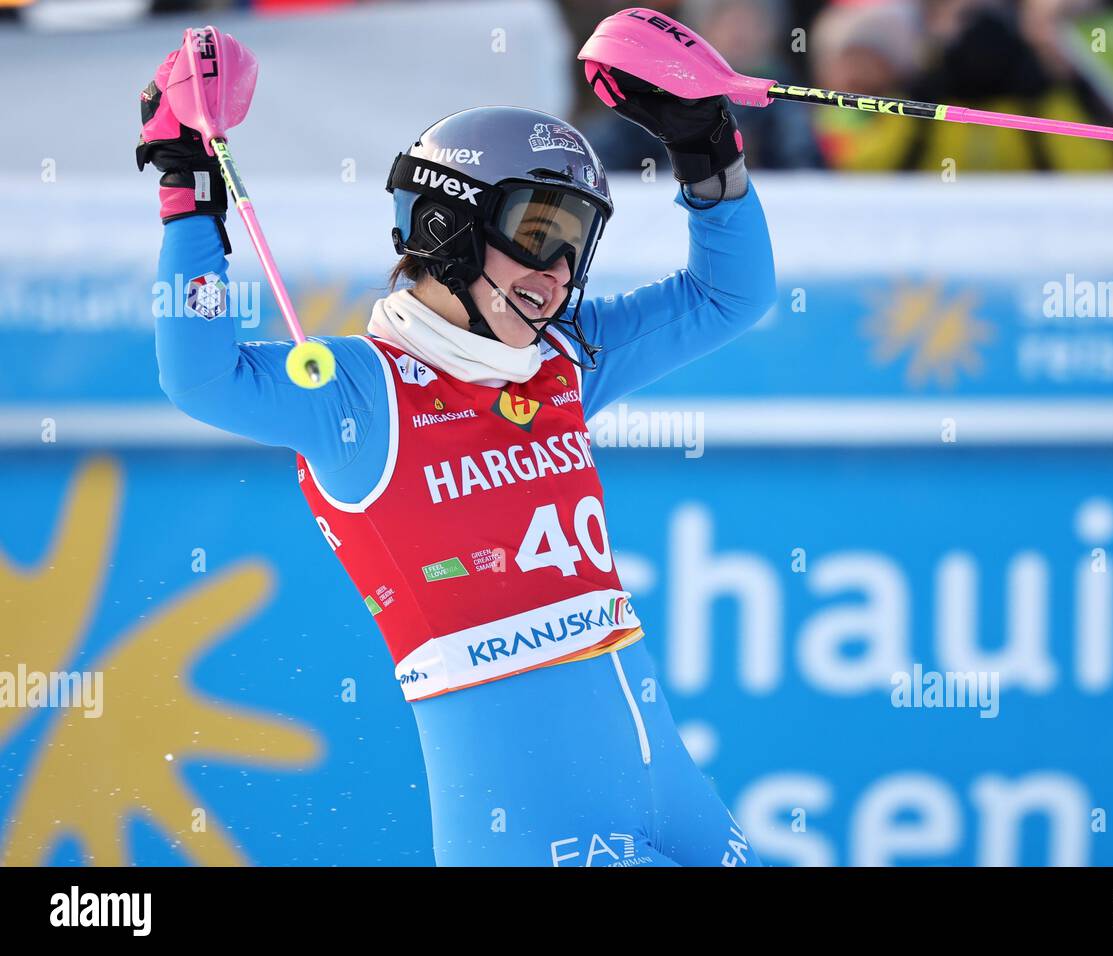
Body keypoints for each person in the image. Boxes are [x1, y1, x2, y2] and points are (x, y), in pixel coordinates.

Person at [138, 42, 775, 866]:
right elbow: (201, 376)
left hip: (678, 804)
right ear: (449, 225)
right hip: (532, 830)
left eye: (575, 245)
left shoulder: (568, 358)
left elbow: (732, 295)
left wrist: (707, 148)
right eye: (537, 232)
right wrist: (187, 192)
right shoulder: (360, 392)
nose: (555, 274)